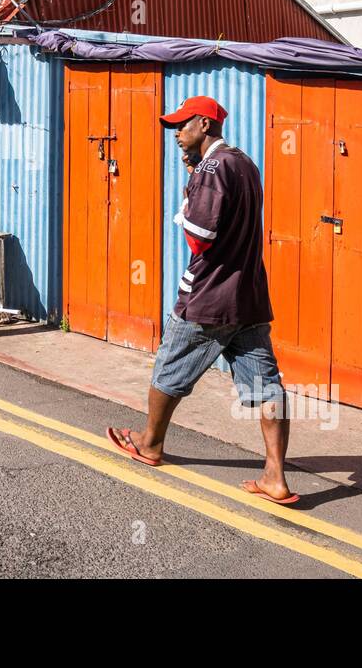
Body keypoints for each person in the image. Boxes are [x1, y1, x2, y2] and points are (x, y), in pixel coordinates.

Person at [106, 96, 297, 505]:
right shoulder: (244, 162)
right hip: (248, 296)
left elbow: (200, 235)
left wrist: (189, 187)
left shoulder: (210, 168)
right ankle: (275, 477)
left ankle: (150, 443)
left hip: (209, 295)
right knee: (266, 385)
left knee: (169, 367)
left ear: (204, 125)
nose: (176, 135)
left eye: (181, 126)